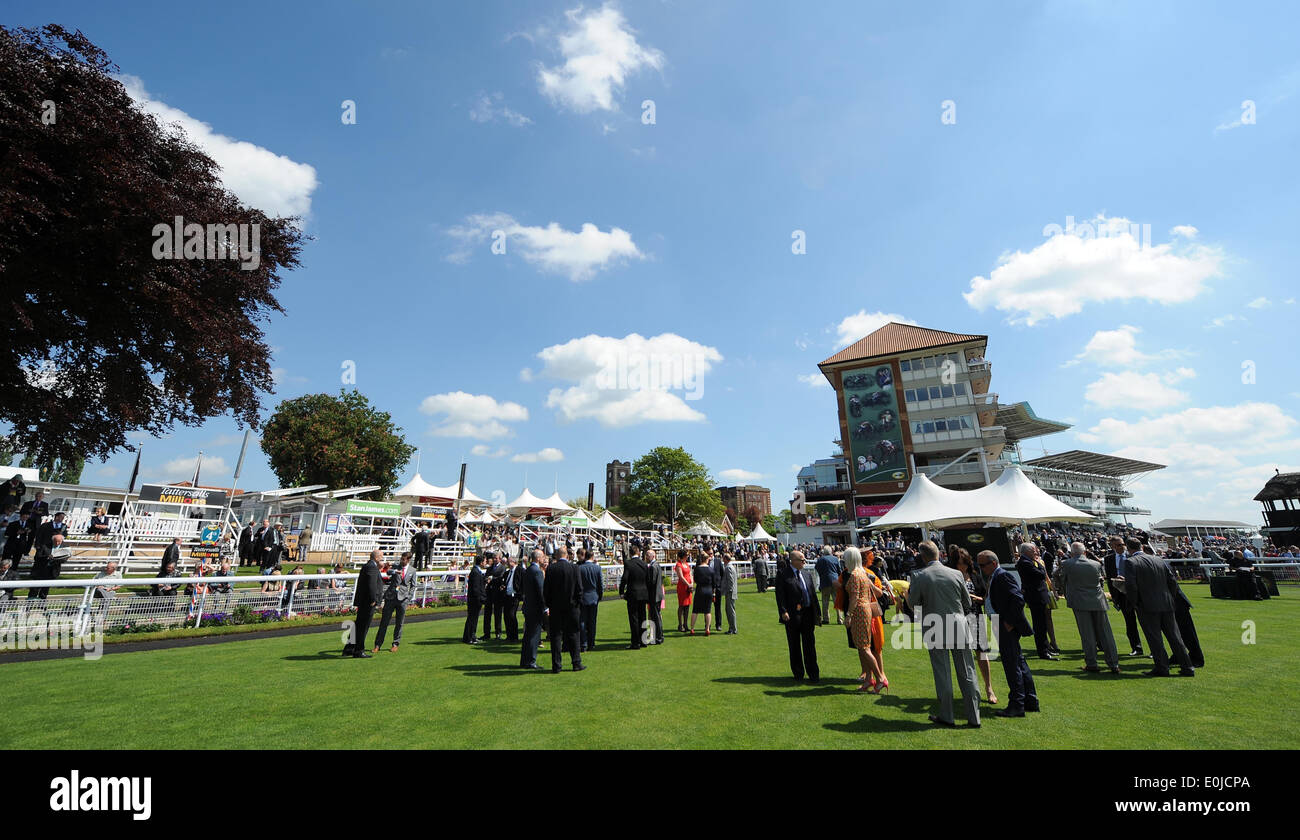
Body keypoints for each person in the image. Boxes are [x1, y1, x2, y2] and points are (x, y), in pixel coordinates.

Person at [908, 541, 980, 728]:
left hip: (934, 625)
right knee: (967, 671)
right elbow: (967, 603)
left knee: (943, 673)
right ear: (938, 554)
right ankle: (974, 717)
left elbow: (914, 603)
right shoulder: (956, 574)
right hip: (959, 623)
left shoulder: (919, 575)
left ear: (923, 557)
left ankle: (947, 715)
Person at [1122, 537, 1195, 677]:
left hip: (1146, 606)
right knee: (1175, 637)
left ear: (1128, 548)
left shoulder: (1130, 562)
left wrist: (1134, 603)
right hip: (1166, 603)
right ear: (1141, 547)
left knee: (1154, 638)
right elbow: (1172, 581)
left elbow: (1131, 586)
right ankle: (1188, 666)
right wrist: (1170, 598)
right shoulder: (1158, 559)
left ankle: (1162, 667)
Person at [981, 550, 1039, 718]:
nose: (981, 568)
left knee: (1012, 664)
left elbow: (1018, 598)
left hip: (1005, 624)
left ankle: (1017, 704)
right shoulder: (995, 576)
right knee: (1019, 662)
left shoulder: (1002, 576)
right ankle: (1030, 700)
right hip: (1001, 621)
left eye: (983, 565)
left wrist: (1009, 622)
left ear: (993, 563)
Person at [1056, 542, 1120, 673]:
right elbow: (1101, 580)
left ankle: (1092, 663)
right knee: (1106, 633)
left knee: (1087, 634)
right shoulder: (1096, 564)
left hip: (1079, 601)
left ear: (1072, 553)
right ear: (1084, 552)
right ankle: (1114, 664)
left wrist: (1064, 590)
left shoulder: (1067, 564)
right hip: (1098, 600)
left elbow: (1058, 576)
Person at [952, 548, 997, 704]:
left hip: (975, 617)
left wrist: (973, 597)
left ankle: (989, 687)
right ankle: (970, 689)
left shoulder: (975, 576)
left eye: (964, 563)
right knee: (963, 655)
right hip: (957, 618)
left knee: (982, 653)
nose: (961, 567)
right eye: (958, 564)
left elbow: (985, 597)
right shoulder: (950, 576)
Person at [842, 547, 887, 693]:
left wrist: (848, 615)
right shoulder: (863, 573)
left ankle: (880, 679)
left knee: (864, 648)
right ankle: (869, 679)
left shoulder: (855, 575)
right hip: (865, 609)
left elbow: (854, 598)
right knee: (863, 647)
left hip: (859, 611)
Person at [773, 550, 820, 682]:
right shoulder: (783, 575)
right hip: (792, 615)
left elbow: (813, 595)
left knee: (810, 645)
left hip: (807, 614)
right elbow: (780, 595)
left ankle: (813, 674)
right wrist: (783, 611)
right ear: (793, 561)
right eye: (802, 560)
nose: (804, 562)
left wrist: (818, 613)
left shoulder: (806, 574)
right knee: (794, 645)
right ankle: (798, 673)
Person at [543, 547, 585, 673]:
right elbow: (579, 589)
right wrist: (577, 603)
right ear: (567, 555)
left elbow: (546, 591)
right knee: (574, 635)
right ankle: (576, 663)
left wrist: (550, 605)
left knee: (556, 636)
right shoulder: (574, 568)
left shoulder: (551, 569)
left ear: (556, 556)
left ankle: (556, 665)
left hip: (556, 608)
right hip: (572, 607)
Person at [1016, 543, 1058, 660]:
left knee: (1043, 624)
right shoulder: (1025, 563)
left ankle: (1046, 648)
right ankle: (1043, 651)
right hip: (1035, 597)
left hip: (1039, 596)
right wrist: (1040, 564)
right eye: (1034, 550)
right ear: (1027, 551)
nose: (1036, 552)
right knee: (1039, 626)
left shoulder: (1028, 562)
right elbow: (1041, 574)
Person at [1103, 535, 1144, 656]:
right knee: (1130, 622)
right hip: (1121, 595)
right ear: (1112, 546)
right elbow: (1110, 580)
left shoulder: (1133, 556)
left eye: (1123, 544)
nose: (1122, 547)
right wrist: (1114, 597)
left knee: (1146, 622)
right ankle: (1136, 647)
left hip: (1137, 594)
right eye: (1118, 545)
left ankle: (1154, 649)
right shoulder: (1108, 559)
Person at [344, 549, 384, 658]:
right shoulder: (372, 567)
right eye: (381, 556)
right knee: (363, 627)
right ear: (376, 557)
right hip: (368, 602)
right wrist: (373, 600)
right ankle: (358, 650)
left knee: (358, 625)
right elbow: (372, 585)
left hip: (364, 601)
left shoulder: (369, 566)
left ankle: (349, 648)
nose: (382, 558)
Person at [374, 551, 416, 652]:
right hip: (391, 597)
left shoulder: (412, 570)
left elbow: (413, 585)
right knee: (384, 622)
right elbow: (388, 572)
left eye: (404, 559)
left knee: (399, 623)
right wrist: (394, 571)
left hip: (403, 599)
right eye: (401, 558)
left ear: (408, 560)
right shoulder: (396, 566)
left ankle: (395, 643)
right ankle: (377, 645)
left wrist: (408, 597)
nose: (402, 560)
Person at [520, 549, 547, 669]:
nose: (544, 559)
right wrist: (545, 607)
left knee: (528, 635)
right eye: (542, 557)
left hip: (528, 607)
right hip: (535, 608)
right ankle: (531, 661)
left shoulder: (528, 570)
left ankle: (525, 660)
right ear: (538, 558)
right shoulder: (537, 572)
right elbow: (541, 592)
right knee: (534, 635)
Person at [619, 548, 650, 649]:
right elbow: (648, 580)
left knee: (634, 618)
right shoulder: (644, 564)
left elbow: (624, 578)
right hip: (643, 594)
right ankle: (643, 641)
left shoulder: (628, 563)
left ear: (630, 553)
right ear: (638, 552)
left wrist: (621, 591)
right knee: (643, 617)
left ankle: (635, 643)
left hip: (633, 594)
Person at [27, 532, 70, 600]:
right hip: (41, 570)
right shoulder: (45, 546)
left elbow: (64, 559)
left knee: (45, 589)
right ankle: (29, 605)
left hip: (52, 571)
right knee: (34, 589)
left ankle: (41, 605)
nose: (57, 543)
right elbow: (37, 557)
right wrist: (47, 557)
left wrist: (56, 559)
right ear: (53, 540)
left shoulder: (65, 547)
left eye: (59, 541)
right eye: (56, 541)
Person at [577, 549, 602, 651]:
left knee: (582, 621)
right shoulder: (597, 568)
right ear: (592, 557)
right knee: (592, 621)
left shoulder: (580, 568)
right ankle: (591, 643)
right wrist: (599, 596)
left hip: (583, 597)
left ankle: (583, 643)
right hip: (593, 597)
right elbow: (600, 584)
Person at [814, 546, 843, 625]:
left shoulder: (820, 559)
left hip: (825, 581)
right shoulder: (835, 559)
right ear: (831, 551)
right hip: (835, 580)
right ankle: (840, 619)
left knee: (825, 601)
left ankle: (826, 619)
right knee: (837, 600)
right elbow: (839, 571)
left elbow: (817, 568)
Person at [463, 554, 487, 644]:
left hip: (474, 599)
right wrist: (480, 599)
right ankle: (468, 637)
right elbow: (476, 588)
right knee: (472, 619)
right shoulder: (476, 572)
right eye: (484, 561)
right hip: (474, 600)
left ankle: (472, 636)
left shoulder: (477, 571)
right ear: (481, 562)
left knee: (474, 619)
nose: (485, 563)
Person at [690, 553, 715, 635]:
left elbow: (696, 580)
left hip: (700, 589)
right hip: (708, 590)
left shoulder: (697, 569)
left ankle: (692, 628)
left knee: (695, 610)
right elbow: (714, 582)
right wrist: (713, 593)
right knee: (707, 611)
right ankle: (707, 628)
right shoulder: (711, 570)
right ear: (707, 560)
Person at [500, 553, 522, 643]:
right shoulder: (507, 572)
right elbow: (505, 582)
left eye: (509, 562)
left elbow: (522, 583)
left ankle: (514, 636)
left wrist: (521, 594)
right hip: (507, 596)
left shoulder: (520, 570)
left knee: (512, 615)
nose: (508, 563)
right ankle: (509, 636)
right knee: (506, 616)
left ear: (514, 562)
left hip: (515, 596)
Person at [646, 549, 665, 644]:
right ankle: (659, 636)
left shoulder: (653, 567)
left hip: (654, 595)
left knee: (656, 617)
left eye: (648, 555)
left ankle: (659, 637)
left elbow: (652, 582)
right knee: (656, 616)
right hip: (657, 594)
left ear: (653, 556)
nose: (646, 557)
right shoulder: (657, 565)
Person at [674, 549, 693, 632]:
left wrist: (691, 582)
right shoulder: (678, 565)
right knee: (681, 605)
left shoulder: (686, 564)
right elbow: (681, 577)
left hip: (689, 586)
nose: (688, 556)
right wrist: (688, 584)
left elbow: (690, 574)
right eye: (686, 555)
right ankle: (680, 624)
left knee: (687, 605)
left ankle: (685, 624)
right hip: (682, 587)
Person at [721, 553, 739, 634]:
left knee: (730, 611)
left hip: (730, 592)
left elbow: (730, 581)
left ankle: (733, 628)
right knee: (730, 610)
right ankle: (732, 628)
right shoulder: (731, 567)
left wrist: (728, 591)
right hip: (731, 592)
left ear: (725, 559)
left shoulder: (728, 567)